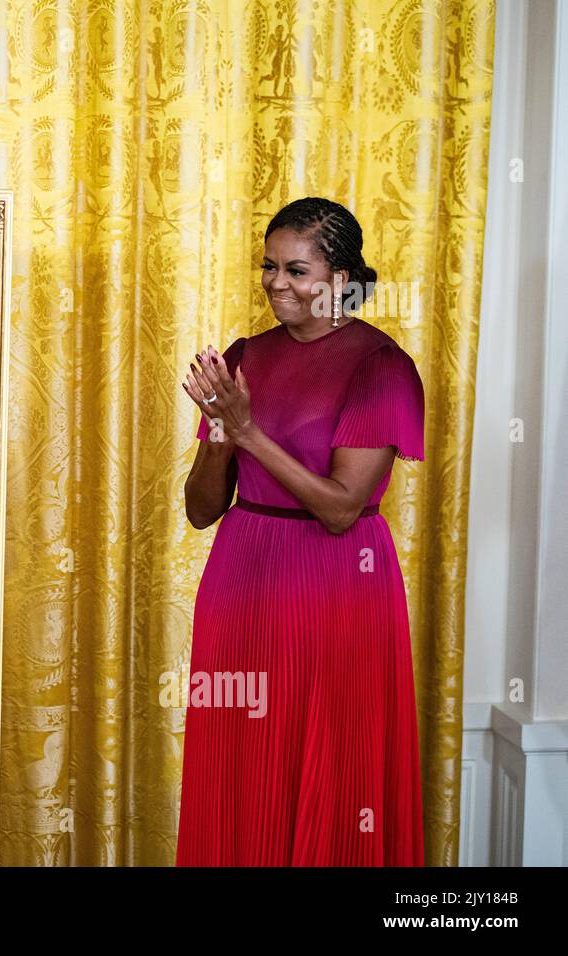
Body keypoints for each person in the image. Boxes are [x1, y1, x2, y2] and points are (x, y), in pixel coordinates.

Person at [176, 197, 425, 865]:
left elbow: (342, 508)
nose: (276, 283)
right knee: (240, 760)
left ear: (342, 279)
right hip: (242, 575)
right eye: (268, 266)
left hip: (339, 585)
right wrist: (220, 436)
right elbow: (202, 510)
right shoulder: (243, 357)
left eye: (296, 270)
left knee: (331, 760)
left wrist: (250, 430)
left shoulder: (382, 367)